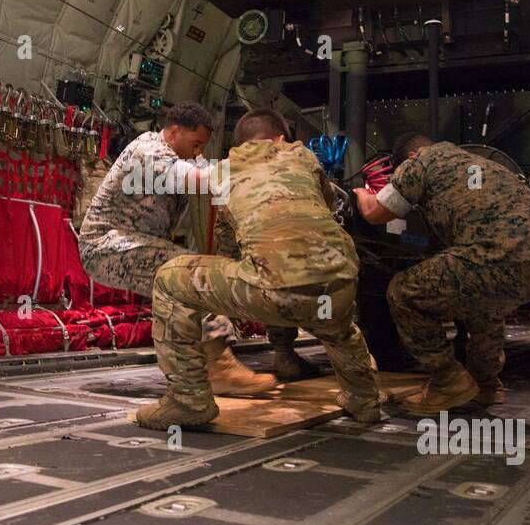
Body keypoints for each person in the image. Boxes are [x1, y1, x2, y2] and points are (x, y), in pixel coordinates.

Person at [135, 107, 383, 430]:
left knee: (170, 277)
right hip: (340, 287)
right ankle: (363, 399)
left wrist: (234, 306)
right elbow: (326, 206)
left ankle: (188, 399)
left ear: (237, 145)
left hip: (275, 292)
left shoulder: (223, 171)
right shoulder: (305, 159)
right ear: (280, 138)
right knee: (336, 324)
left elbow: (227, 245)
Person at [352, 132, 530, 413]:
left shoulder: (420, 162)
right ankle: (486, 385)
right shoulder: (477, 161)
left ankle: (448, 382)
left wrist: (361, 192)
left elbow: (374, 212)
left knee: (402, 292)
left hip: (505, 254)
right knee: (481, 304)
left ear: (410, 157)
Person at [78, 100, 277, 393]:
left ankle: (194, 373)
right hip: (107, 246)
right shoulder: (147, 151)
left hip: (137, 245)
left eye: (202, 147)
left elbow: (212, 178)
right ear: (173, 132)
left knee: (183, 288)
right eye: (195, 144)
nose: (198, 152)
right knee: (193, 273)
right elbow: (203, 179)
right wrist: (254, 167)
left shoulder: (182, 155)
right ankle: (219, 368)